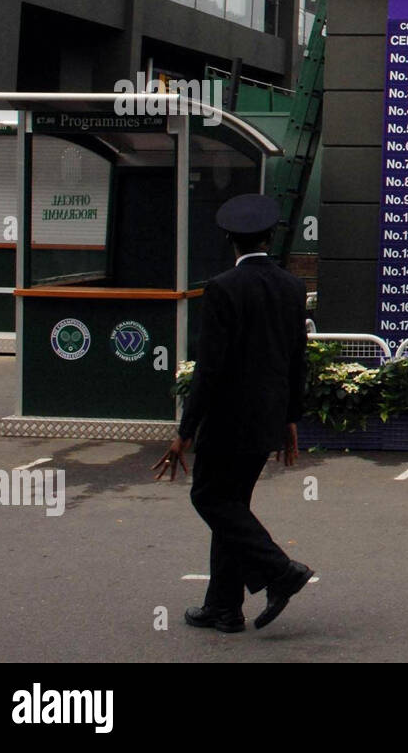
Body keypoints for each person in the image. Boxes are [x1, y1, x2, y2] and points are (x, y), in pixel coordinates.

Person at [153, 193, 314, 632]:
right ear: (269, 236)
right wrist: (290, 420)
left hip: (228, 422)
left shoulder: (223, 287)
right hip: (266, 421)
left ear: (230, 239)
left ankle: (282, 571)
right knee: (232, 504)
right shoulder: (292, 287)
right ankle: (223, 607)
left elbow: (210, 369)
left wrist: (185, 431)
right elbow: (296, 359)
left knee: (209, 497)